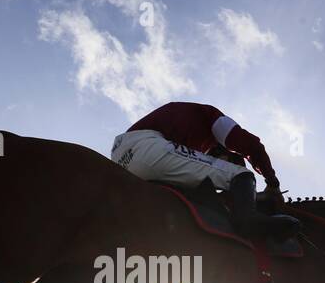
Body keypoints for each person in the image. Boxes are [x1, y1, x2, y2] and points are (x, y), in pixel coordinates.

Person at [110, 101, 301, 240]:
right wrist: (272, 183)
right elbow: (253, 146)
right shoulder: (213, 118)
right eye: (225, 158)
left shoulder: (188, 145)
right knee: (241, 175)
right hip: (146, 147)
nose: (220, 162)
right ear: (223, 150)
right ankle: (247, 222)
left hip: (120, 159)